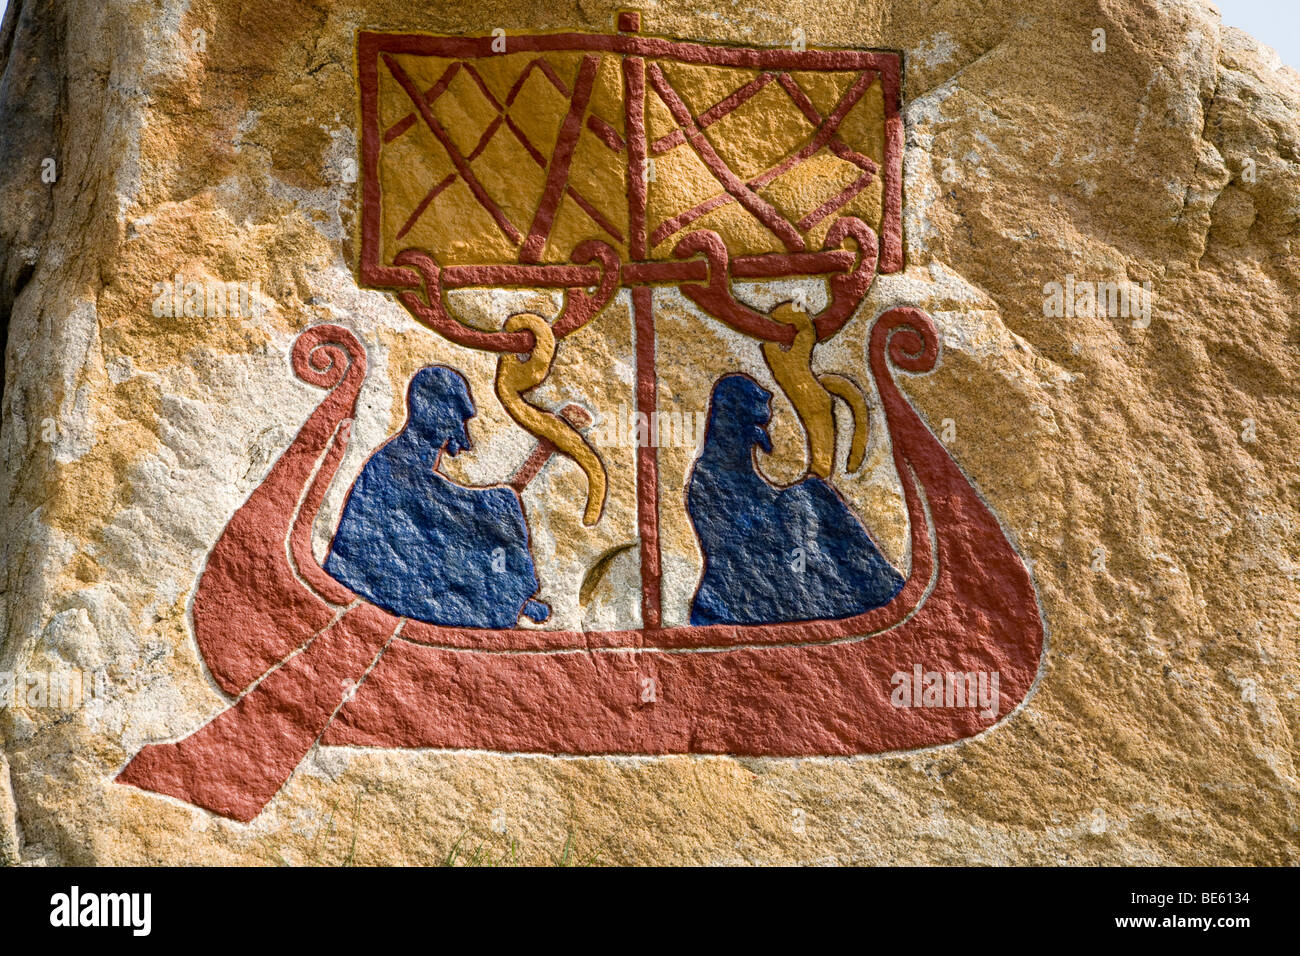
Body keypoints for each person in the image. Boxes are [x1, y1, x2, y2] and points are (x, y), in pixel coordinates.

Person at [324, 366, 550, 628]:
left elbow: (441, 502)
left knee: (494, 525)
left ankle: (512, 598)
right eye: (457, 416)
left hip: (402, 568)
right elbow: (435, 501)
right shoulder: (396, 459)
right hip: (377, 579)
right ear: (431, 408)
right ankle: (508, 601)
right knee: (497, 514)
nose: (459, 430)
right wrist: (494, 504)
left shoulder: (411, 457)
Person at [687, 374, 903, 625]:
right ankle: (880, 589)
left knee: (810, 495)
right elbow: (737, 539)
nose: (764, 429)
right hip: (745, 591)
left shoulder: (729, 469)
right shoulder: (708, 478)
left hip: (778, 571)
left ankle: (881, 586)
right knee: (807, 498)